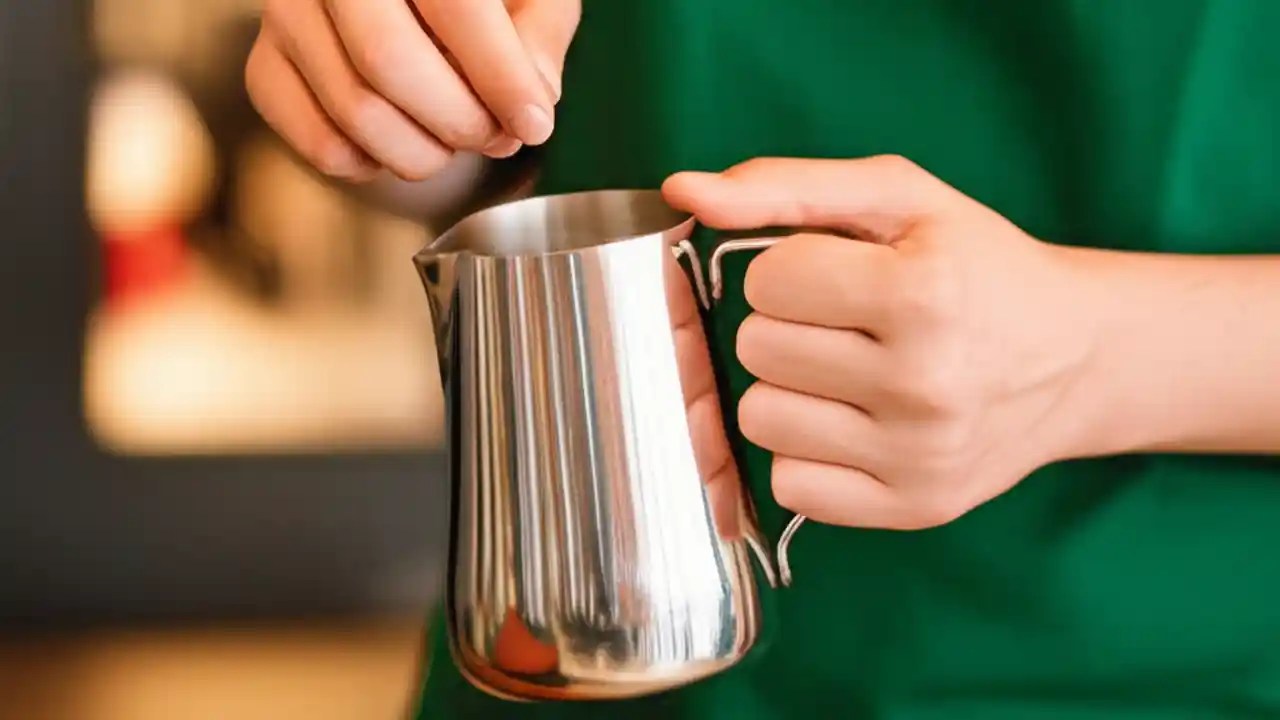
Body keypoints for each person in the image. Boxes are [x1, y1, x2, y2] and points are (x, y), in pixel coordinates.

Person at [245, 1, 1280, 717]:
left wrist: (1096, 353)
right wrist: (393, 76)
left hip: (1152, 677)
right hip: (573, 664)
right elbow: (485, 156)